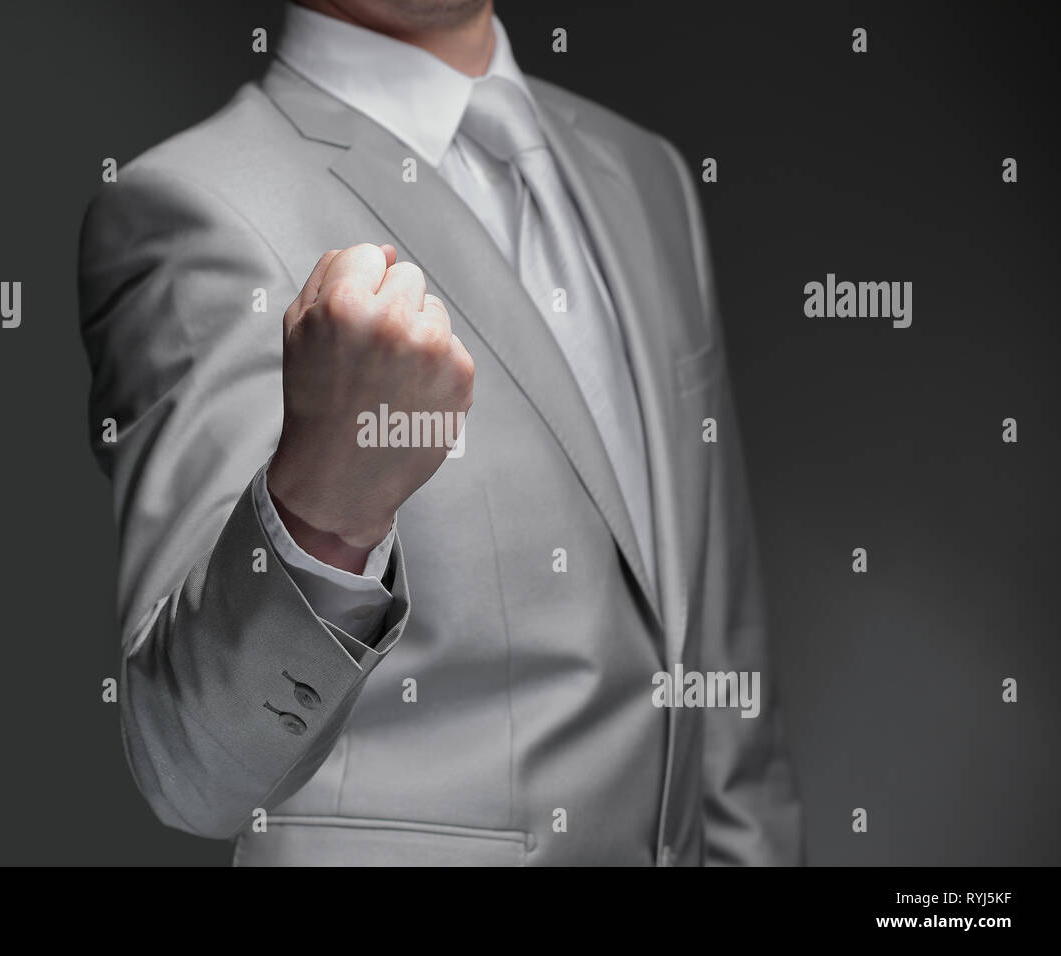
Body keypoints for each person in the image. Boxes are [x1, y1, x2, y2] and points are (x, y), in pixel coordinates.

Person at [77, 0, 804, 865]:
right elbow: (194, 767)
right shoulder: (196, 206)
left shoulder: (647, 175)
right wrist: (324, 503)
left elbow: (714, 664)